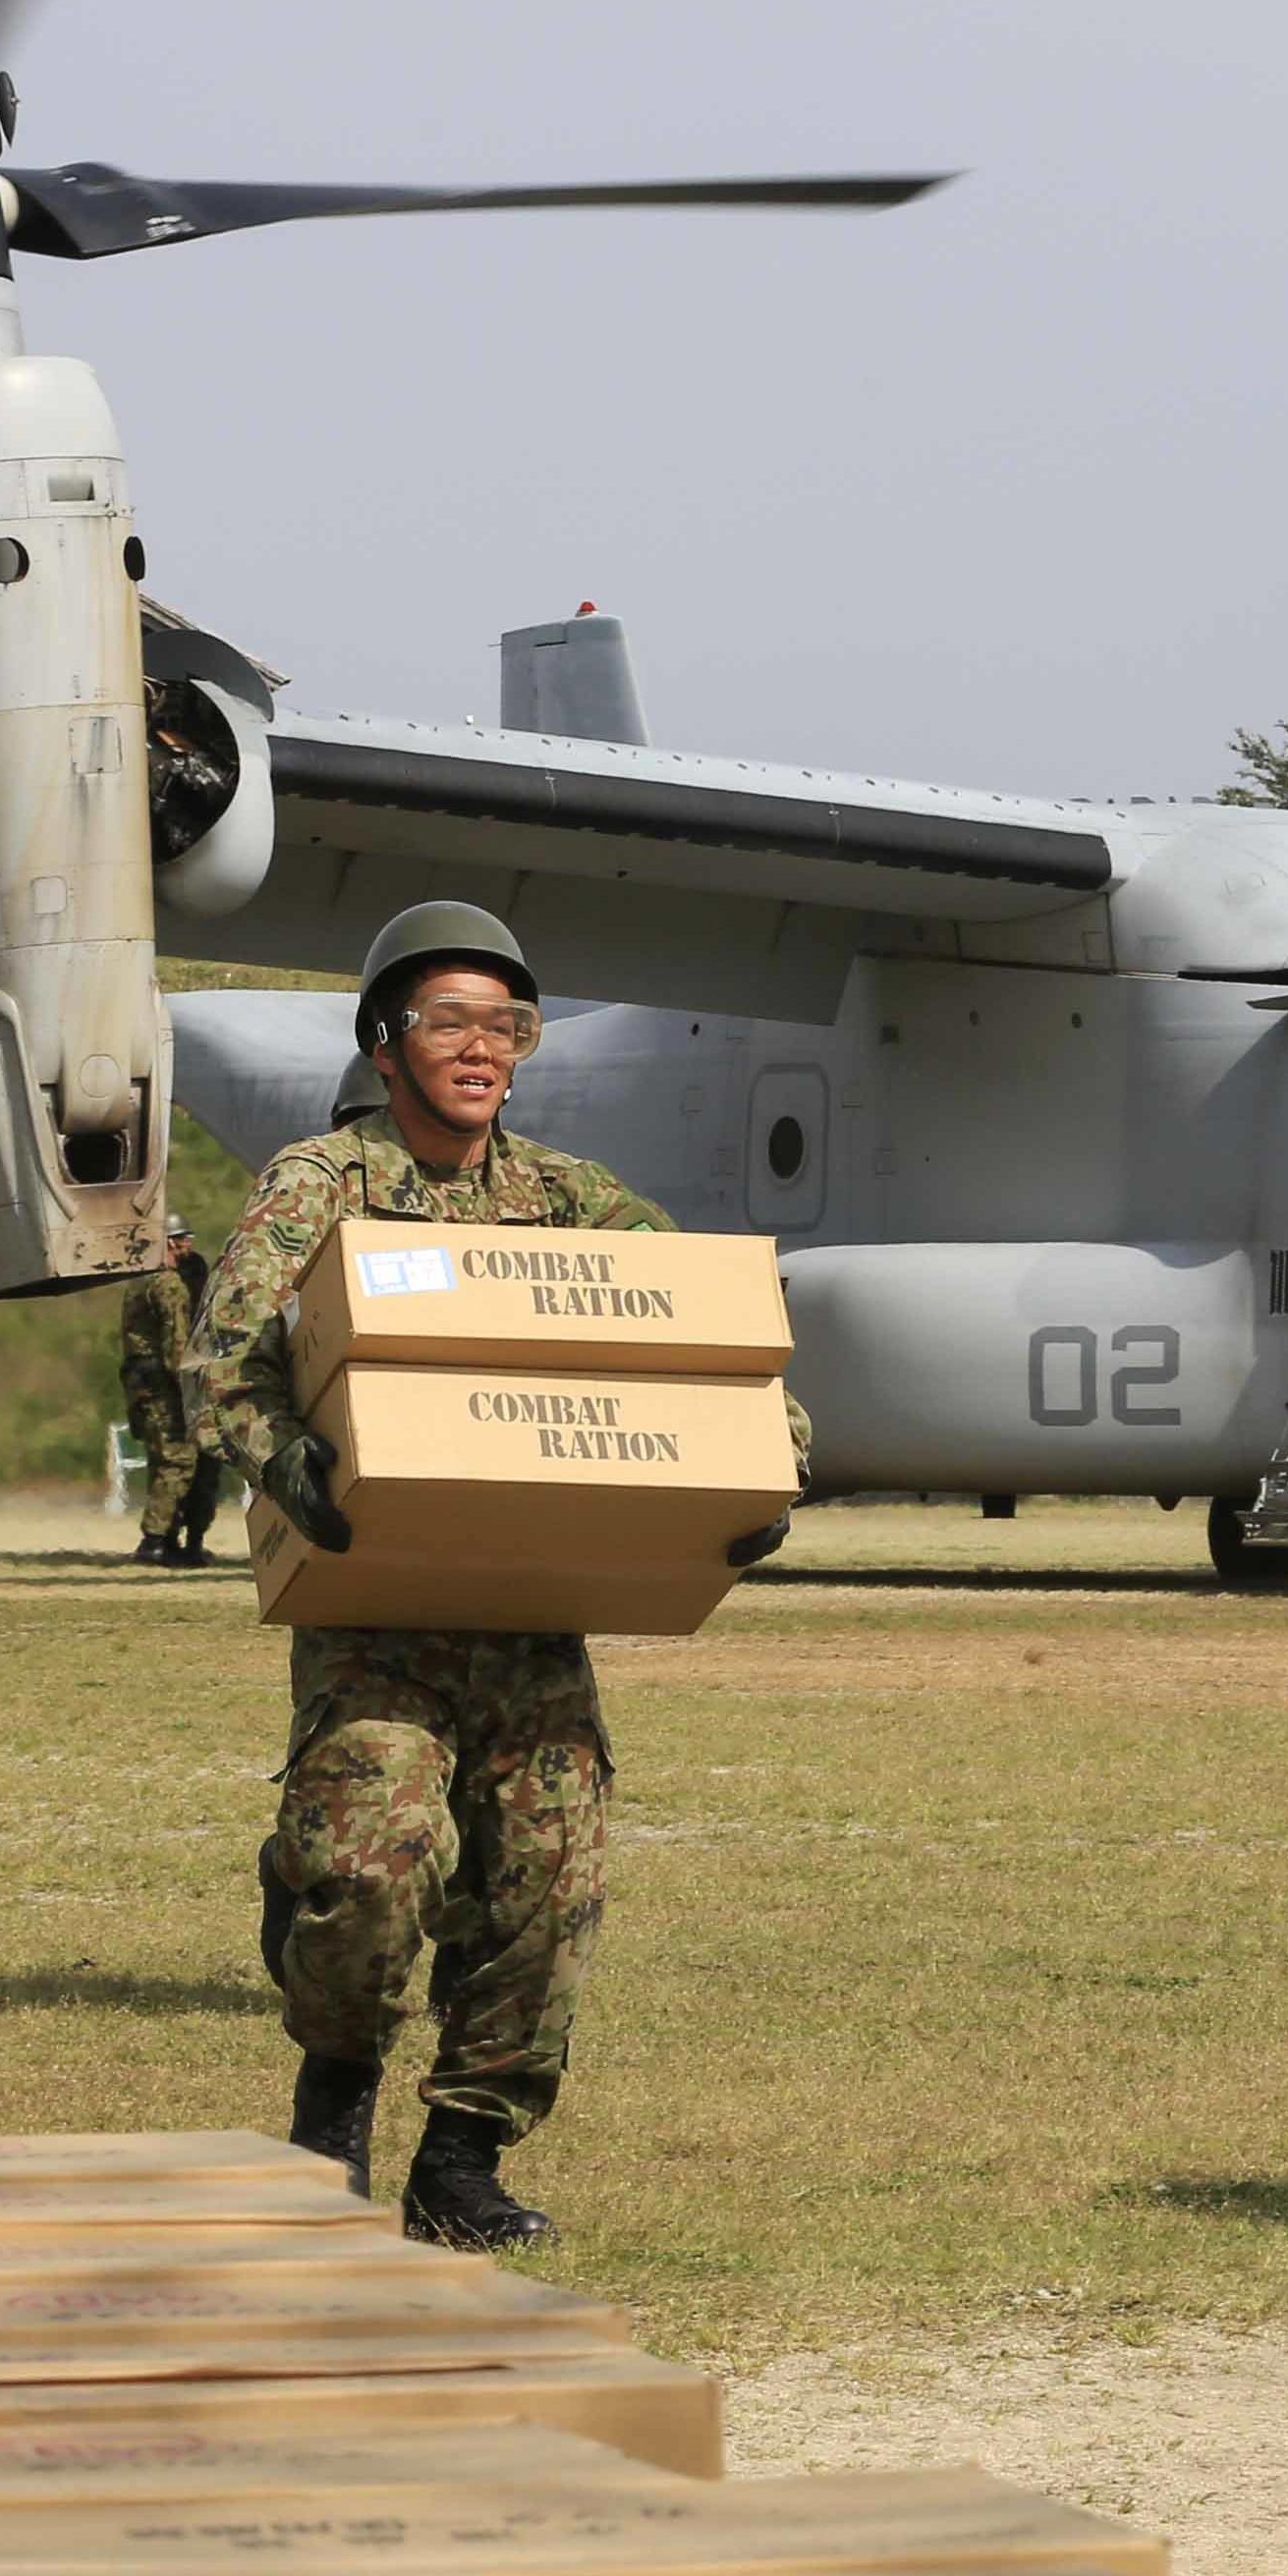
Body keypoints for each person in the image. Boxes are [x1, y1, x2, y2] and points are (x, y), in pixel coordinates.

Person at [197, 903, 788, 2249]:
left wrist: (766, 1467)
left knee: (549, 1887)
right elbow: (220, 1365)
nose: (482, 1049)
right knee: (374, 1864)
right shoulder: (318, 1187)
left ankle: (461, 2158)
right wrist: (286, 1463)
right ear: (387, 1043)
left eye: (506, 1026)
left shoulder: (574, 1202)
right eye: (451, 1022)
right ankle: (331, 2119)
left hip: (532, 1615)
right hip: (379, 1617)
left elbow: (713, 1341)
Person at [122, 1221, 223, 1568]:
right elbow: (176, 1345)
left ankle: (174, 1539)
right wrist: (192, 1387)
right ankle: (156, 1542)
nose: (186, 1247)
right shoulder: (167, 1285)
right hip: (168, 1386)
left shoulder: (143, 1279)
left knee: (174, 1460)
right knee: (180, 1459)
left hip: (150, 1385)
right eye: (179, 1241)